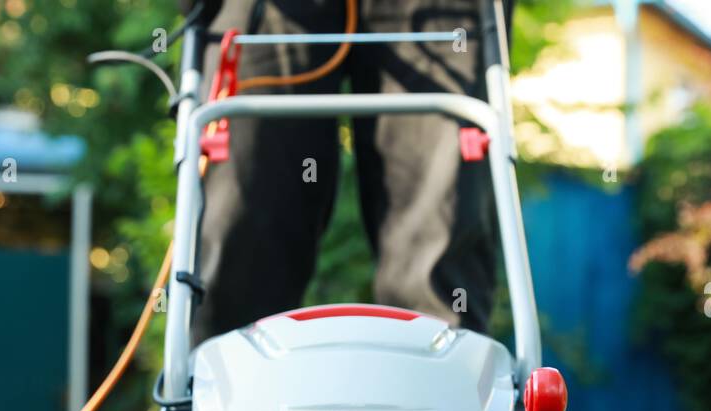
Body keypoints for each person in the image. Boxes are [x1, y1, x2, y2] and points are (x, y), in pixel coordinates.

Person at [191, 0, 508, 344]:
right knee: (240, 242)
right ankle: (226, 388)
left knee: (440, 268)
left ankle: (443, 389)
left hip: (439, 11)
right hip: (269, 10)